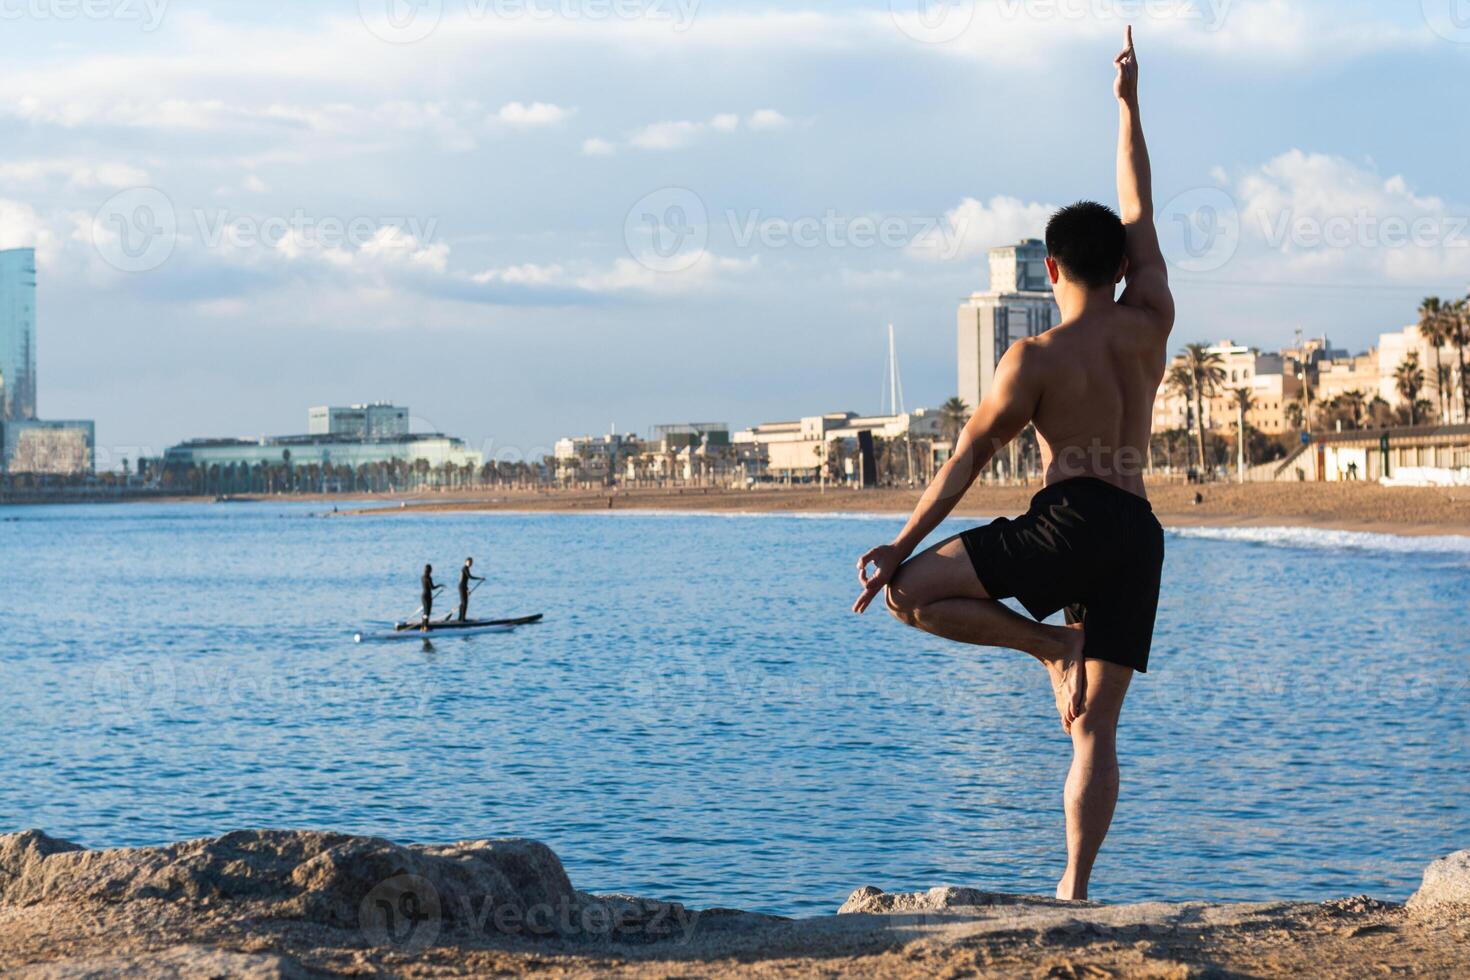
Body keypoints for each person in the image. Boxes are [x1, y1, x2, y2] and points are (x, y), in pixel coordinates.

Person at [851, 27, 1172, 903]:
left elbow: (961, 463)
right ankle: (1074, 889)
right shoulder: (1150, 320)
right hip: (1138, 530)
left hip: (1070, 520)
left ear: (1051, 266)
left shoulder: (1031, 361)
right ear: (1119, 266)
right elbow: (1140, 207)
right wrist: (1129, 106)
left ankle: (1047, 645)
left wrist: (897, 547)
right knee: (1094, 731)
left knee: (916, 596)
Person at [457, 557, 486, 622]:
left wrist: (467, 590)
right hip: (462, 587)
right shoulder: (465, 568)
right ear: (465, 562)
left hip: (463, 587)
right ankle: (462, 619)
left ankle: (460, 618)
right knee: (464, 603)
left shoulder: (466, 568)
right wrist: (480, 578)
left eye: (471, 562)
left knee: (463, 603)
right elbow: (470, 577)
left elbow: (465, 580)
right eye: (469, 562)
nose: (470, 563)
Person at [420, 564, 439, 631]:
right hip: (428, 596)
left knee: (425, 612)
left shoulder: (422, 577)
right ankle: (426, 627)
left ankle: (422, 626)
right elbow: (432, 588)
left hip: (423, 596)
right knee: (427, 612)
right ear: (430, 570)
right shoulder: (428, 578)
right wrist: (440, 585)